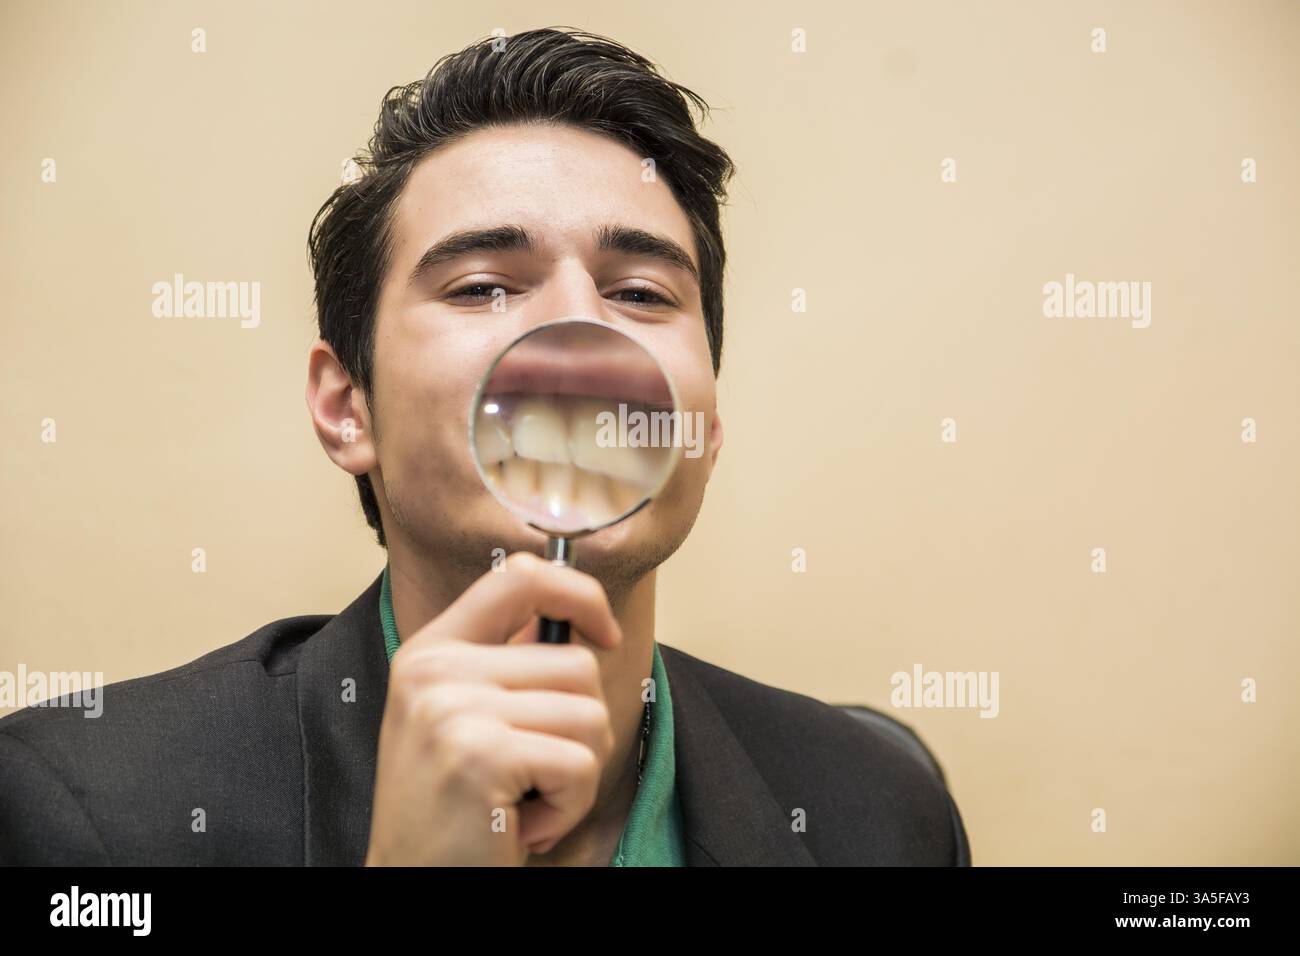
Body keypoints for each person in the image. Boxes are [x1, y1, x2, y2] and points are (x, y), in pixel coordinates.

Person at [0, 27, 970, 867]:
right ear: (348, 407)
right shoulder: (83, 808)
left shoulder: (878, 809)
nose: (581, 336)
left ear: (704, 427)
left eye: (641, 292)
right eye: (481, 286)